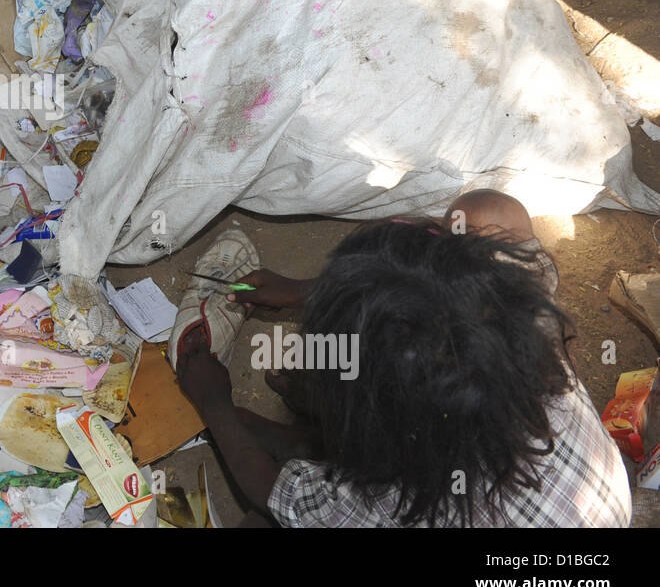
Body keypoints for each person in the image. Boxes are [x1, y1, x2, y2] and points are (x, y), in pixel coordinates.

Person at [169, 190, 633, 527]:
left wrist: (214, 403)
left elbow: (280, 498)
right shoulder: (521, 313)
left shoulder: (400, 502)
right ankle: (303, 440)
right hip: (576, 497)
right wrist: (304, 292)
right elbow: (469, 243)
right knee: (482, 212)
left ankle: (304, 442)